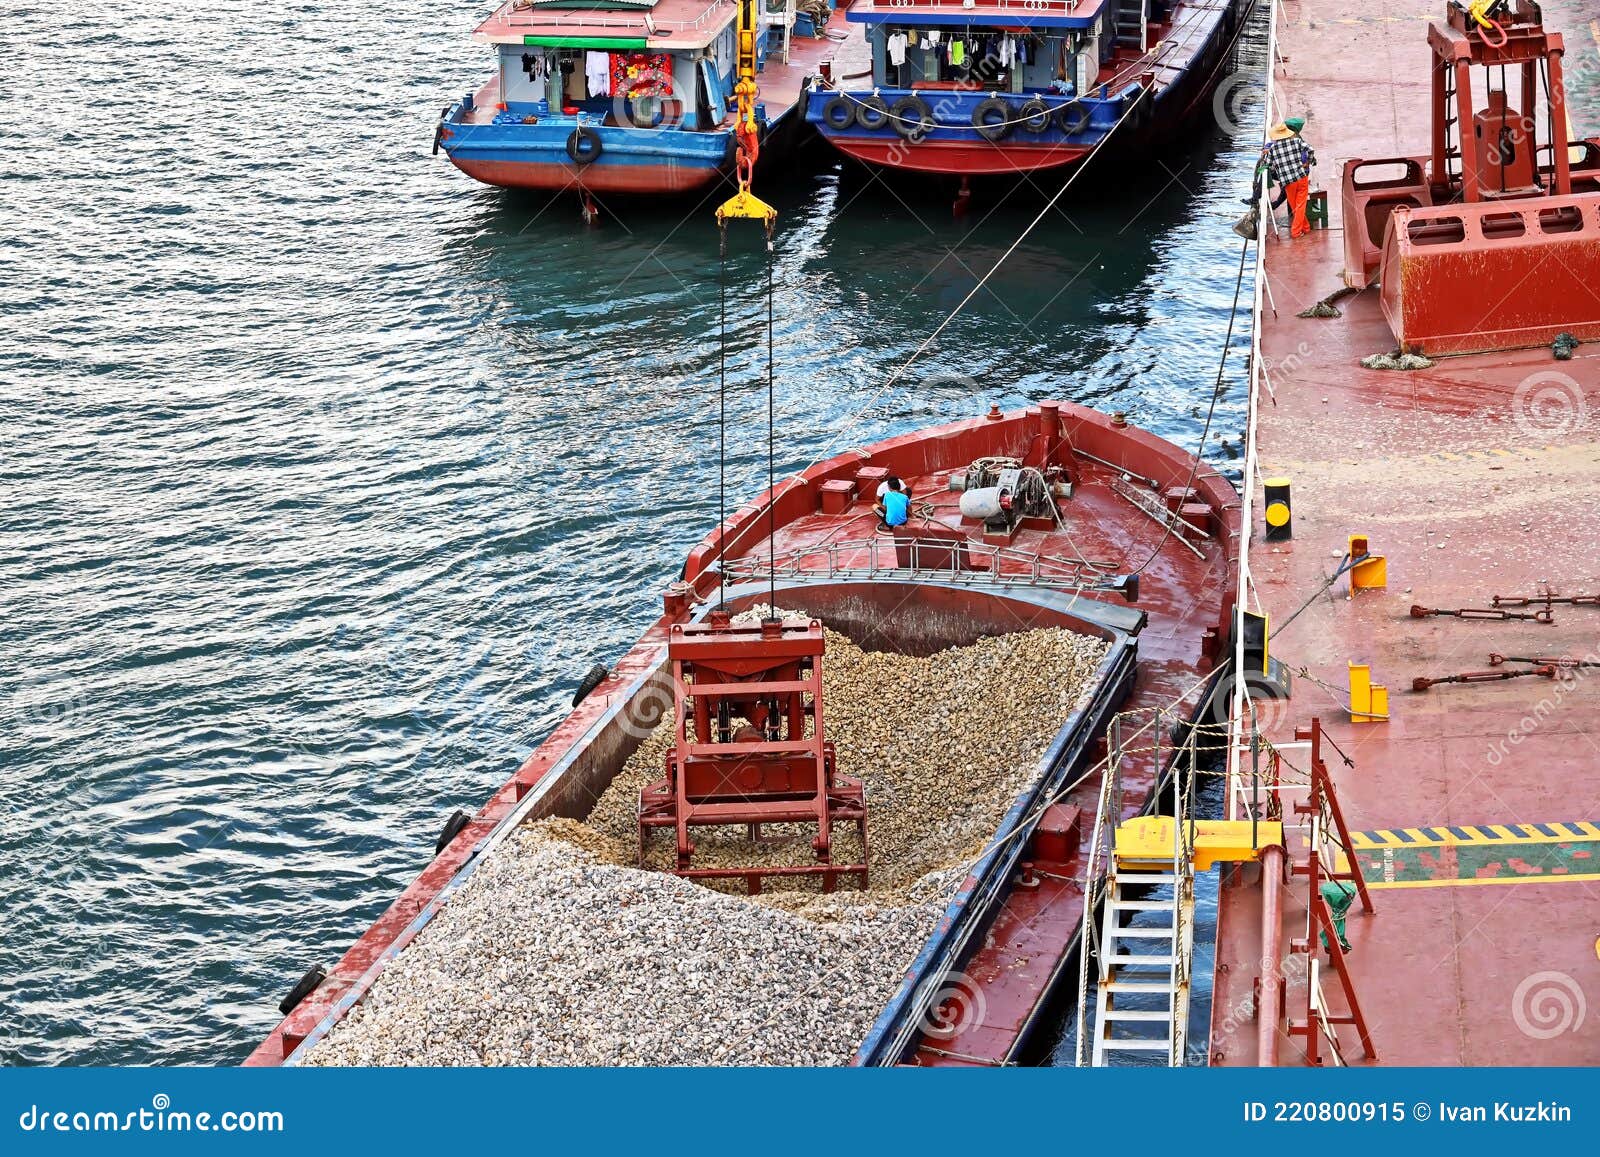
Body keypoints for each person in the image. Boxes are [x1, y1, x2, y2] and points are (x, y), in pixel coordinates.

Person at [1263, 117, 1315, 238]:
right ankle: (1303, 229)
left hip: (1287, 181)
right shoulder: (1297, 142)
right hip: (1301, 177)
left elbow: (1268, 165)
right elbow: (1311, 149)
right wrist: (1308, 162)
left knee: (1295, 206)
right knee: (1300, 205)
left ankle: (1299, 230)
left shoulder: (1272, 149)